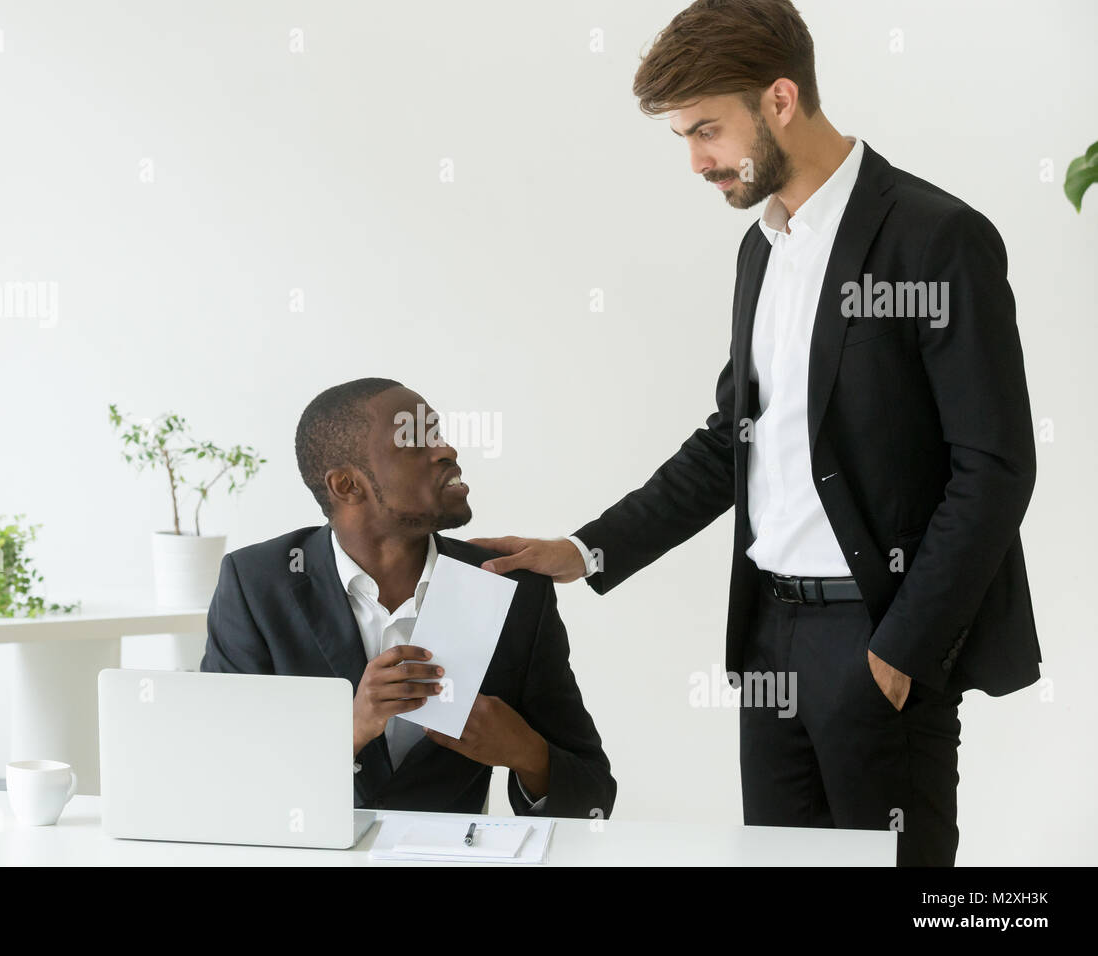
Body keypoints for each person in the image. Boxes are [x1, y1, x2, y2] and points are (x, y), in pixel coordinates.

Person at [471, 0, 1039, 866]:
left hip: (876, 636)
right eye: (682, 139)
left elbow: (994, 466)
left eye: (706, 129)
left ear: (780, 100)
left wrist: (899, 653)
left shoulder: (937, 237)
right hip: (768, 633)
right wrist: (583, 549)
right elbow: (729, 441)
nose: (698, 161)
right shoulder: (762, 247)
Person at [202, 378, 616, 819]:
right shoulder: (255, 584)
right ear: (346, 485)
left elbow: (593, 799)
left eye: (437, 433)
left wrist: (527, 753)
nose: (446, 450)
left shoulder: (509, 588)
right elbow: (220, 775)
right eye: (413, 441)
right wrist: (349, 730)